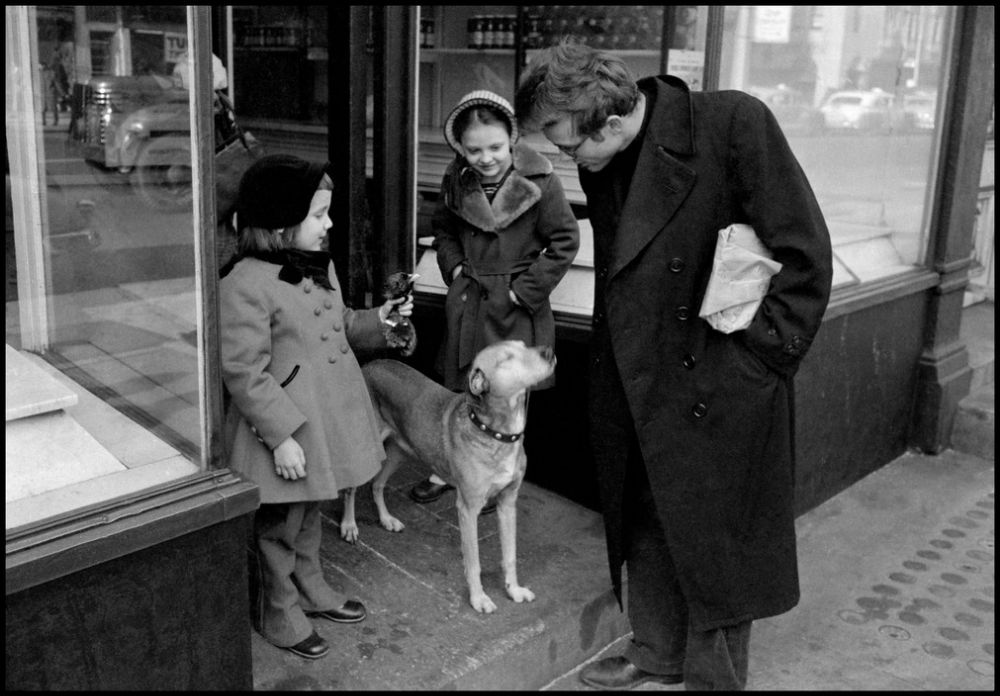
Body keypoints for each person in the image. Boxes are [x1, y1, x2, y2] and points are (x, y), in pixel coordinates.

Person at [515, 41, 833, 690]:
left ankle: (712, 681)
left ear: (604, 118)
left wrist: (756, 366)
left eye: (563, 141)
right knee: (646, 517)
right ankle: (655, 653)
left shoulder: (733, 124)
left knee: (717, 545)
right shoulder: (604, 165)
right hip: (641, 376)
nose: (560, 156)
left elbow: (805, 256)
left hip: (721, 379)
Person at [219, 154, 413, 660]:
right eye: (319, 215)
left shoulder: (317, 265)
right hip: (285, 430)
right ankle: (276, 608)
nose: (329, 225)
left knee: (310, 514)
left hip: (325, 421)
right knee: (279, 526)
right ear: (282, 222)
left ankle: (310, 588)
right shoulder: (243, 284)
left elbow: (341, 322)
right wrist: (280, 436)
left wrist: (381, 320)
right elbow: (243, 371)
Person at [408, 89, 580, 512]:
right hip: (471, 298)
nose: (486, 158)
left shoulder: (541, 181)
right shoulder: (456, 179)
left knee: (511, 396)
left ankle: (500, 475)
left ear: (513, 139)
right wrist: (453, 270)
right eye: (474, 149)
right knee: (462, 385)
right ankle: (450, 469)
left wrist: (525, 290)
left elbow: (565, 239)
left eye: (496, 147)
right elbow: (444, 229)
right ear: (460, 148)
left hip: (517, 305)